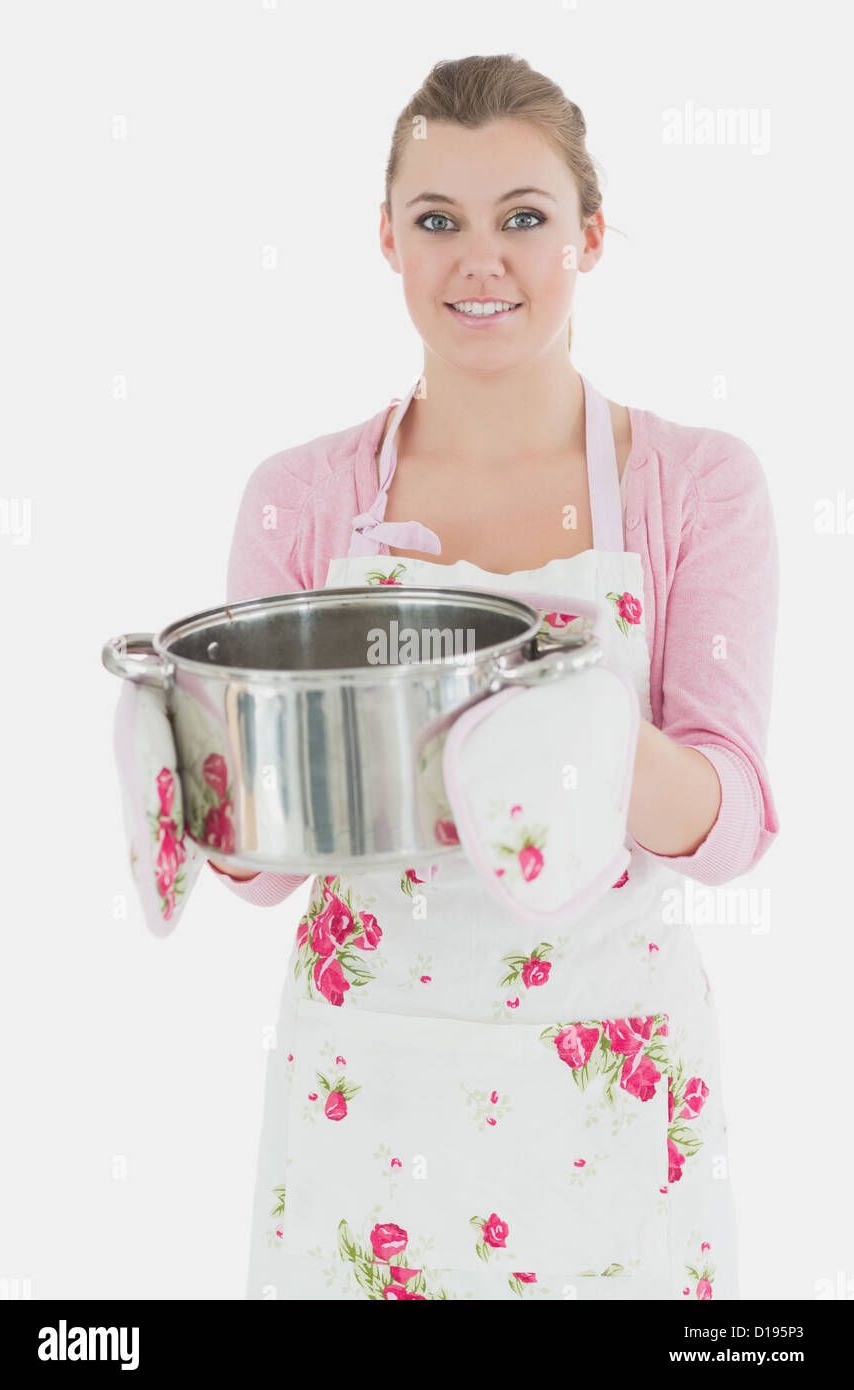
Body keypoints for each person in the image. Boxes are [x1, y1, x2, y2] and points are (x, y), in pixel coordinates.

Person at [209, 54, 779, 1301]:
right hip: (367, 1093)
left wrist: (587, 733)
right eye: (437, 221)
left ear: (587, 236)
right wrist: (204, 765)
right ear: (387, 243)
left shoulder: (696, 484)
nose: (482, 259)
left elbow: (732, 823)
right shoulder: (300, 498)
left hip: (606, 1095)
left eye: (523, 217)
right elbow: (259, 878)